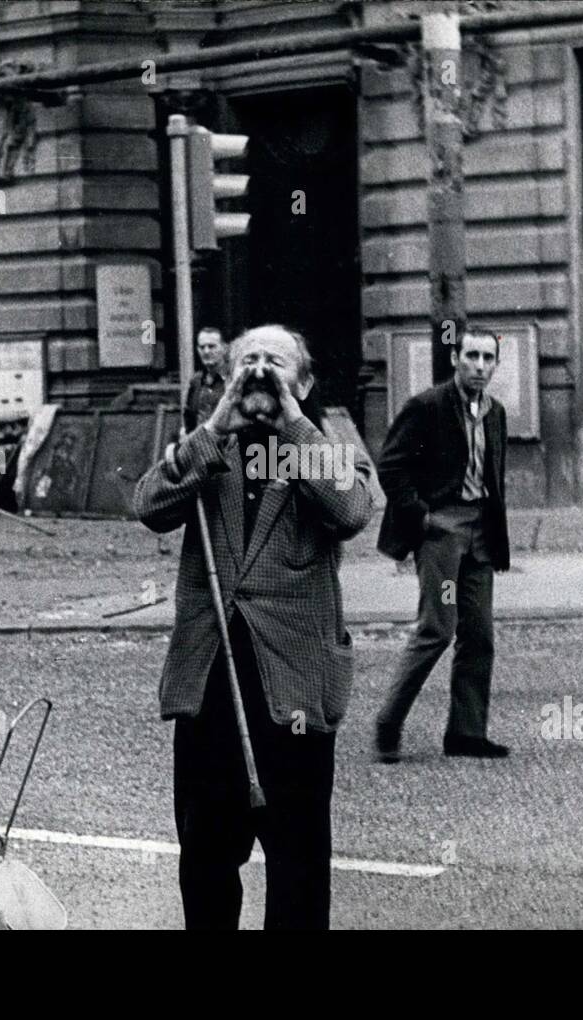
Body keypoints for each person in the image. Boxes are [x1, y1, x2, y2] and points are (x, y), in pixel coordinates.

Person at [133, 323, 373, 930]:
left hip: (293, 690)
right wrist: (216, 424)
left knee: (297, 866)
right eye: (249, 362)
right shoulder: (207, 448)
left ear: (306, 379)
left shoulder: (328, 442)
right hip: (211, 688)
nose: (261, 372)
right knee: (207, 858)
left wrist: (293, 421)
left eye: (277, 363)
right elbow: (148, 506)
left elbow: (349, 509)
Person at [373, 331, 511, 763]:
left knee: (480, 634)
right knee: (438, 628)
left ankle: (466, 733)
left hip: (479, 535)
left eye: (488, 357)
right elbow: (391, 466)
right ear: (456, 358)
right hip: (442, 534)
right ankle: (388, 724)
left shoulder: (494, 412)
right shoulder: (427, 407)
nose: (480, 365)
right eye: (471, 355)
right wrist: (423, 517)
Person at [183, 326, 227, 433]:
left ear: (224, 348)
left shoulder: (233, 380)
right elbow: (189, 420)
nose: (206, 351)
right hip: (199, 445)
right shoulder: (196, 381)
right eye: (202, 347)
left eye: (212, 346)